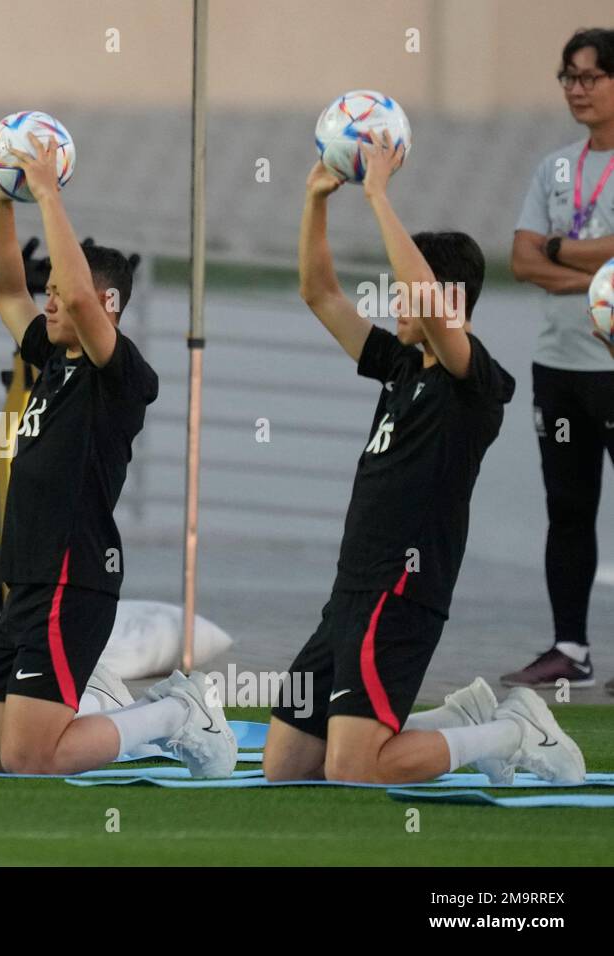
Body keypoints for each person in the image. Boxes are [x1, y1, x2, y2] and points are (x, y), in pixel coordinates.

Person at [263, 133, 585, 786]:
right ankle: (456, 719)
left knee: (355, 769)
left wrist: (379, 194)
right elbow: (320, 295)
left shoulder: (474, 380)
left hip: (402, 592)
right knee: (288, 768)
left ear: (449, 301)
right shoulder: (400, 366)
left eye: (411, 290)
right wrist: (315, 201)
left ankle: (514, 732)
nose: (397, 299)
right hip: (350, 593)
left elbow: (433, 304)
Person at [0, 136, 235, 777]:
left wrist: (49, 192)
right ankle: (98, 701)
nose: (49, 300)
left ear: (105, 303)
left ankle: (175, 713)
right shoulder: (55, 360)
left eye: (58, 290)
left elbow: (81, 300)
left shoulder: (121, 373)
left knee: (30, 760)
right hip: (22, 580)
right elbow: (4, 289)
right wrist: (1, 200)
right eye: (49, 291)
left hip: (72, 579)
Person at [505, 27, 614, 694]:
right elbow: (521, 259)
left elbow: (543, 253)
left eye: (591, 76)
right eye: (568, 76)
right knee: (567, 508)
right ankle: (569, 647)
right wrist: (597, 266)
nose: (576, 88)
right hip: (559, 365)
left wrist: (557, 252)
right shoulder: (554, 168)